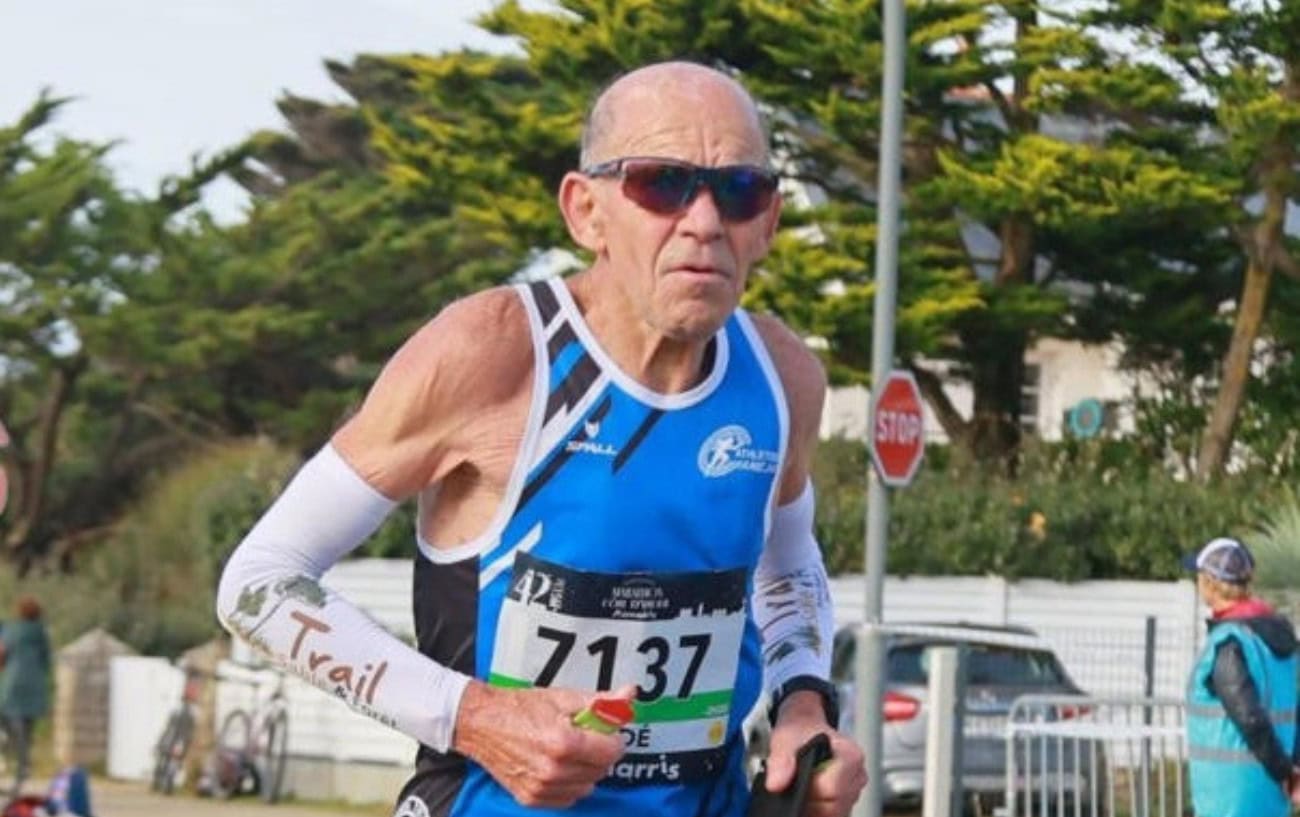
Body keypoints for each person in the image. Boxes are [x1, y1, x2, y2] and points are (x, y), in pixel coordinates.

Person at [217, 60, 867, 817]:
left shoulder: (782, 378)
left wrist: (803, 705)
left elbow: (788, 568)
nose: (704, 221)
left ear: (770, 222)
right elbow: (258, 583)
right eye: (661, 183)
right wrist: (477, 718)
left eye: (739, 189)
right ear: (586, 211)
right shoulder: (495, 354)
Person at [1183, 536, 1300, 817]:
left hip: (1229, 797)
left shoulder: (1229, 643)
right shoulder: (1281, 639)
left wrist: (1284, 771)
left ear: (1209, 584)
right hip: (1270, 794)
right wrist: (1291, 770)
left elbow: (1249, 718)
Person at [0, 596, 51, 798]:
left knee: (8, 726)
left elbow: (2, 654)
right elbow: (46, 661)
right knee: (26, 735)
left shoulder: (12, 630)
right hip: (35, 688)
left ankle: (8, 758)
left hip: (13, 686)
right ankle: (20, 775)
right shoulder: (41, 632)